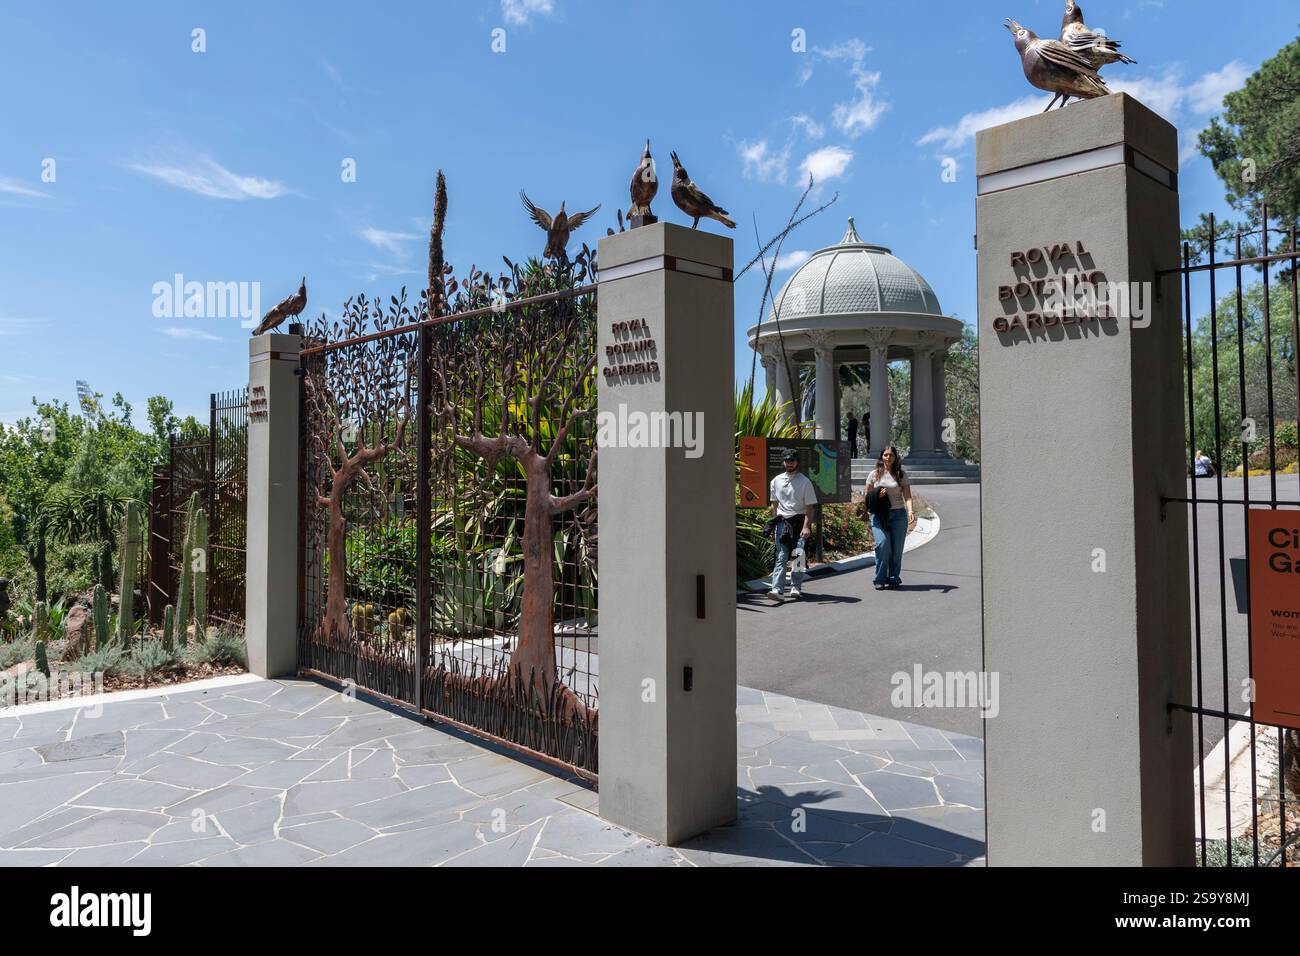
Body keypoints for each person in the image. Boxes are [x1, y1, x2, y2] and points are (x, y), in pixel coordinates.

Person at [767, 450, 818, 600]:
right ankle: (777, 590)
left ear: (797, 462)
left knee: (798, 555)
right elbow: (774, 505)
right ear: (783, 462)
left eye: (792, 460)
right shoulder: (776, 481)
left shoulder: (805, 482)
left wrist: (806, 526)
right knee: (781, 556)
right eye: (787, 460)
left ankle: (796, 586)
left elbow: (810, 507)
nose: (789, 463)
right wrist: (773, 524)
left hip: (800, 521)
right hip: (782, 522)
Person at [864, 444, 913, 590]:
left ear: (895, 457)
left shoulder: (901, 475)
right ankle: (880, 578)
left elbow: (908, 497)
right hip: (879, 515)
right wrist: (877, 496)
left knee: (897, 550)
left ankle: (893, 578)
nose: (888, 457)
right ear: (881, 456)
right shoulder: (874, 474)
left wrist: (910, 511)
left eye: (891, 455)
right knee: (883, 544)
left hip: (898, 515)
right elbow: (867, 497)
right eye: (885, 455)